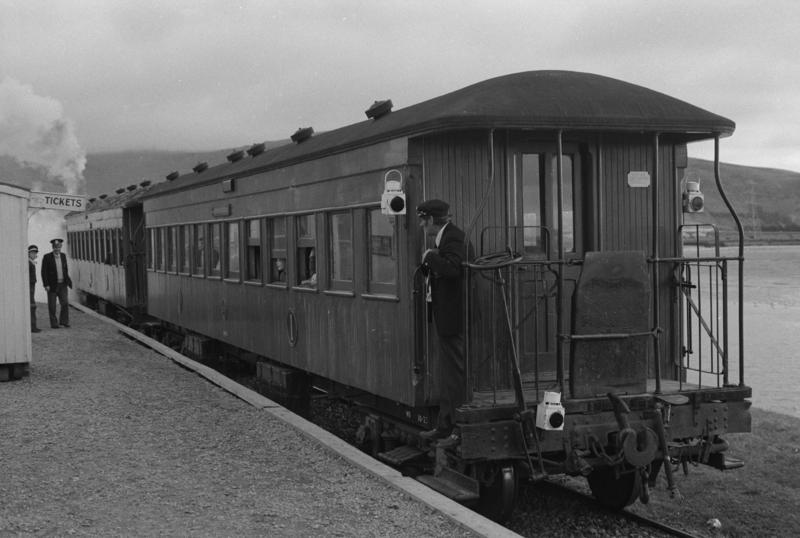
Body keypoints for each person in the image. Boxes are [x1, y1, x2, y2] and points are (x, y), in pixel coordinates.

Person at [416, 199, 471, 448]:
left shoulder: (454, 237)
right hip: (447, 315)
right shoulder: (446, 238)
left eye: (422, 219)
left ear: (431, 220)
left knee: (457, 374)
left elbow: (453, 268)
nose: (421, 225)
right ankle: (445, 424)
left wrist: (430, 257)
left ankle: (459, 429)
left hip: (455, 316)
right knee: (449, 373)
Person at [41, 238, 72, 328]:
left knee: (65, 303)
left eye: (58, 247)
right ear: (52, 248)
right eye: (55, 247)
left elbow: (65, 269)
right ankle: (54, 324)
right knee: (52, 306)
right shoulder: (47, 257)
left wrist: (68, 281)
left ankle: (64, 321)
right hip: (52, 286)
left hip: (63, 284)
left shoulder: (63, 256)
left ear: (61, 247)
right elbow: (44, 272)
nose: (57, 249)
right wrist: (46, 285)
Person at [28, 245, 41, 333]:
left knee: (32, 306)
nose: (35, 254)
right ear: (29, 253)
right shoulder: (29, 263)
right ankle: (33, 327)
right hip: (30, 287)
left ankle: (33, 326)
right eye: (33, 253)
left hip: (32, 286)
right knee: (32, 306)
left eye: (35, 253)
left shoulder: (31, 262)